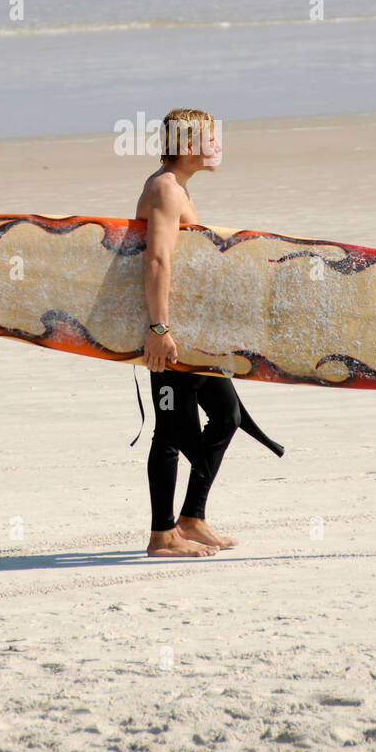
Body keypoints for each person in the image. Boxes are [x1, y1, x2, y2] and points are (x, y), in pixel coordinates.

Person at [134, 107, 243, 558]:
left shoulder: (178, 188)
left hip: (193, 331)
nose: (216, 145)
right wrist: (159, 328)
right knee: (171, 430)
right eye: (207, 138)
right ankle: (162, 535)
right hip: (170, 330)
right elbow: (157, 260)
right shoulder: (164, 188)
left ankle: (191, 519)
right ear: (184, 145)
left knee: (227, 417)